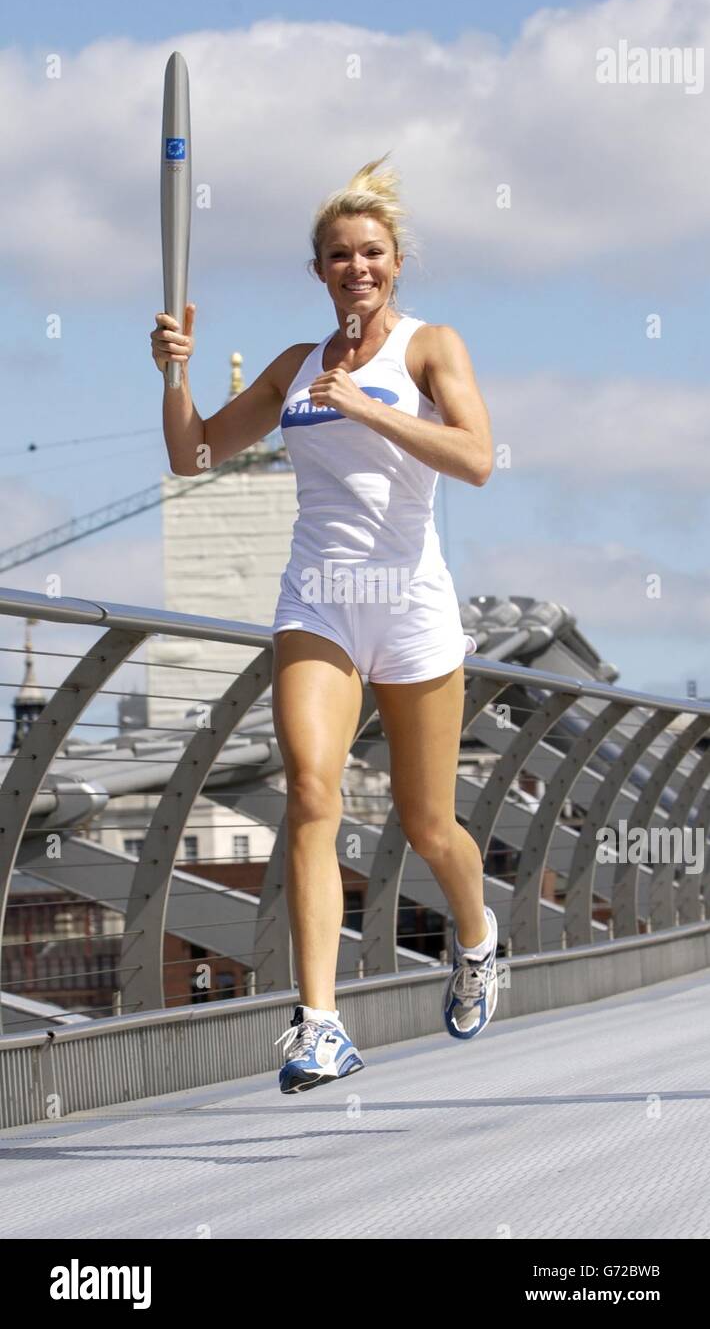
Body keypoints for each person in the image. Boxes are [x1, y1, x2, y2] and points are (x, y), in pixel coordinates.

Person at [152, 155, 497, 1096]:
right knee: (311, 790)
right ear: (319, 271)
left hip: (412, 605)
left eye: (373, 253)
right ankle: (319, 1023)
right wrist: (174, 376)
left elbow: (477, 458)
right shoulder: (295, 368)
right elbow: (194, 454)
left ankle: (475, 938)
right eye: (340, 255)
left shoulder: (430, 348)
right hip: (318, 602)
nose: (358, 268)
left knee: (430, 825)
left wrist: (374, 413)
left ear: (396, 263)